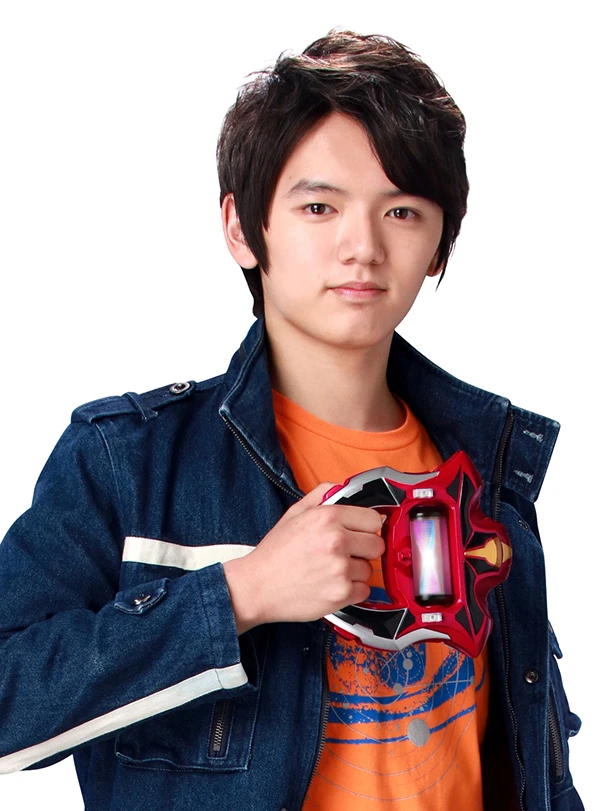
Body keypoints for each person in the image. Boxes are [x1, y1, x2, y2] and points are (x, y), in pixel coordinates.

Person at [0, 28, 583, 811]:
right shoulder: (130, 463)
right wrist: (241, 593)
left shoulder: (489, 473)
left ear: (440, 243)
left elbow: (537, 768)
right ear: (242, 228)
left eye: (402, 210)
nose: (362, 246)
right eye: (318, 206)